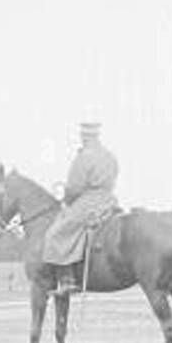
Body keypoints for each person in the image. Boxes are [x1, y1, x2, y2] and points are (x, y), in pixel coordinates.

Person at [42, 121, 120, 296]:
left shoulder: (84, 157)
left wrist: (67, 199)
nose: (83, 139)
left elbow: (75, 188)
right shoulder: (109, 156)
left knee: (56, 234)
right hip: (109, 200)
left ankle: (67, 279)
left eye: (84, 136)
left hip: (90, 201)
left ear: (84, 137)